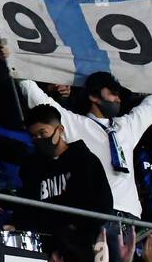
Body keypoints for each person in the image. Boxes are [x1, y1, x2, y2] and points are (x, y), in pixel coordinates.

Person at [18, 68, 152, 221]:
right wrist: (15, 64)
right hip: (96, 214)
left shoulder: (127, 126)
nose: (118, 99)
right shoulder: (76, 124)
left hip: (131, 216)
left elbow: (150, 107)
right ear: (93, 96)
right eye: (113, 93)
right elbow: (37, 97)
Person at [14, 104, 114, 243]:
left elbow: (103, 205)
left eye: (43, 133)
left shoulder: (84, 160)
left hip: (82, 243)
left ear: (60, 130)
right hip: (47, 242)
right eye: (34, 136)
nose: (38, 139)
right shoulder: (31, 167)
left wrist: (77, 228)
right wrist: (16, 225)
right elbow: (27, 206)